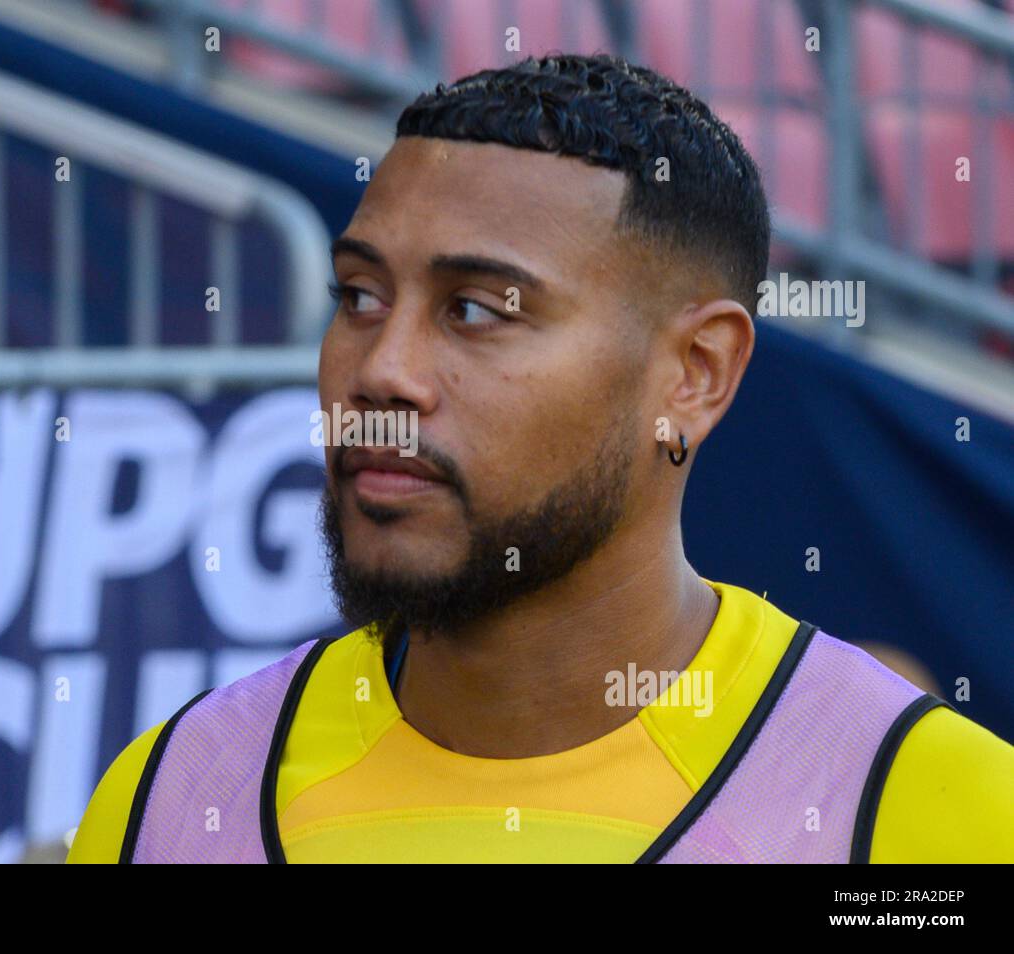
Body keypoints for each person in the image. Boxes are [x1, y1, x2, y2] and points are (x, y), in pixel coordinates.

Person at [68, 53, 1014, 863]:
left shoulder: (922, 812)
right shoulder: (171, 796)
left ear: (694, 374)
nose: (383, 373)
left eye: (477, 310)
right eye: (359, 296)